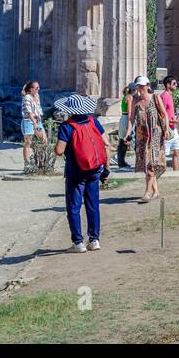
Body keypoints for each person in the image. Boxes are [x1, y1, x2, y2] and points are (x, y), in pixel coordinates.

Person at [53, 94, 109, 252]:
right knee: (93, 205)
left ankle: (78, 243)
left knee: (74, 207)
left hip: (75, 172)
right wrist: (106, 167)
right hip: (94, 169)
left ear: (69, 110)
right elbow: (106, 143)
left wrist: (54, 146)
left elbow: (59, 150)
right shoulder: (93, 121)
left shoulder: (66, 126)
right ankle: (94, 240)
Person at [131, 81, 170, 204]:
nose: (140, 88)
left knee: (150, 164)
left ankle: (147, 193)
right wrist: (127, 134)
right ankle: (156, 191)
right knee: (147, 164)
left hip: (155, 136)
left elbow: (164, 115)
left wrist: (167, 129)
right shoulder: (135, 101)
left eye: (142, 86)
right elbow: (131, 119)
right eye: (138, 86)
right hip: (142, 137)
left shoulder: (155, 97)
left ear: (148, 86)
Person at [20, 81, 47, 171]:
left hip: (37, 120)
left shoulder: (37, 96)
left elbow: (38, 109)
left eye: (38, 87)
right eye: (36, 88)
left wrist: (38, 120)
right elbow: (28, 111)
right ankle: (27, 164)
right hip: (29, 120)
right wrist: (34, 123)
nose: (38, 89)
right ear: (31, 89)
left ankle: (41, 162)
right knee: (28, 143)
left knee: (44, 140)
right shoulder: (27, 97)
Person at [157, 76, 179, 171]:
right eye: (174, 83)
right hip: (166, 129)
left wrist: (175, 118)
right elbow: (160, 114)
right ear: (168, 85)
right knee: (163, 153)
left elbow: (168, 113)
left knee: (177, 151)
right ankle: (160, 172)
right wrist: (172, 121)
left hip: (173, 129)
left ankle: (176, 173)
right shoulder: (163, 96)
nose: (176, 85)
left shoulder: (170, 96)